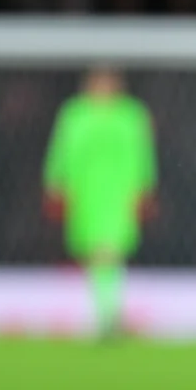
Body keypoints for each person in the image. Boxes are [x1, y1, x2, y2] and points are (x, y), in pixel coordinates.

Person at [43, 67, 158, 335]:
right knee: (97, 253)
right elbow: (60, 151)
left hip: (120, 191)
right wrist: (55, 184)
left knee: (109, 251)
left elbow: (142, 153)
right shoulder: (74, 114)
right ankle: (106, 313)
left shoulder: (130, 115)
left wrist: (145, 187)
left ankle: (107, 315)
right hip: (85, 192)